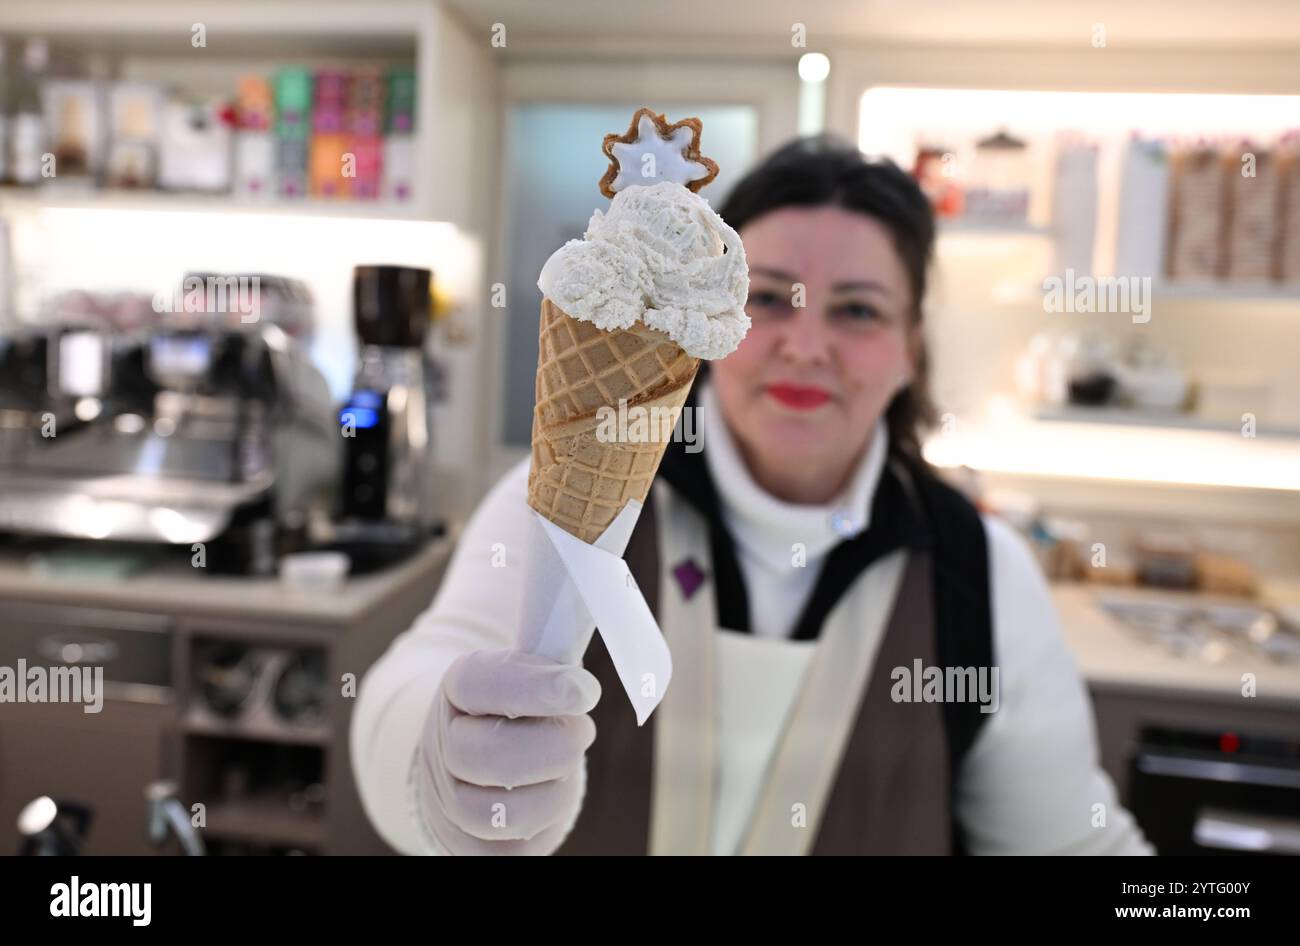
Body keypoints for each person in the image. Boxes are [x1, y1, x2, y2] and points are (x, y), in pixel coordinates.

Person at [350, 135, 1153, 856]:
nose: (806, 347)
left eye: (858, 311)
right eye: (768, 299)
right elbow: (413, 679)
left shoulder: (981, 572)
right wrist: (439, 767)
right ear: (705, 315)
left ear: (911, 348)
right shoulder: (554, 508)